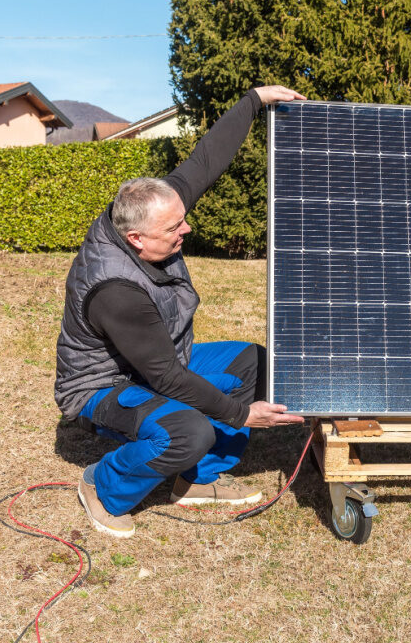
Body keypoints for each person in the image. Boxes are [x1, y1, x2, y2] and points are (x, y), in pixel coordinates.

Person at [54, 85, 306, 538]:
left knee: (257, 363)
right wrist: (242, 415)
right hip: (104, 384)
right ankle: (103, 486)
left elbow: (206, 161)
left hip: (156, 361)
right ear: (136, 239)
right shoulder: (116, 291)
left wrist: (253, 100)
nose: (186, 228)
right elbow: (167, 377)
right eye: (175, 227)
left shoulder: (145, 209)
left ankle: (193, 480)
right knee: (189, 431)